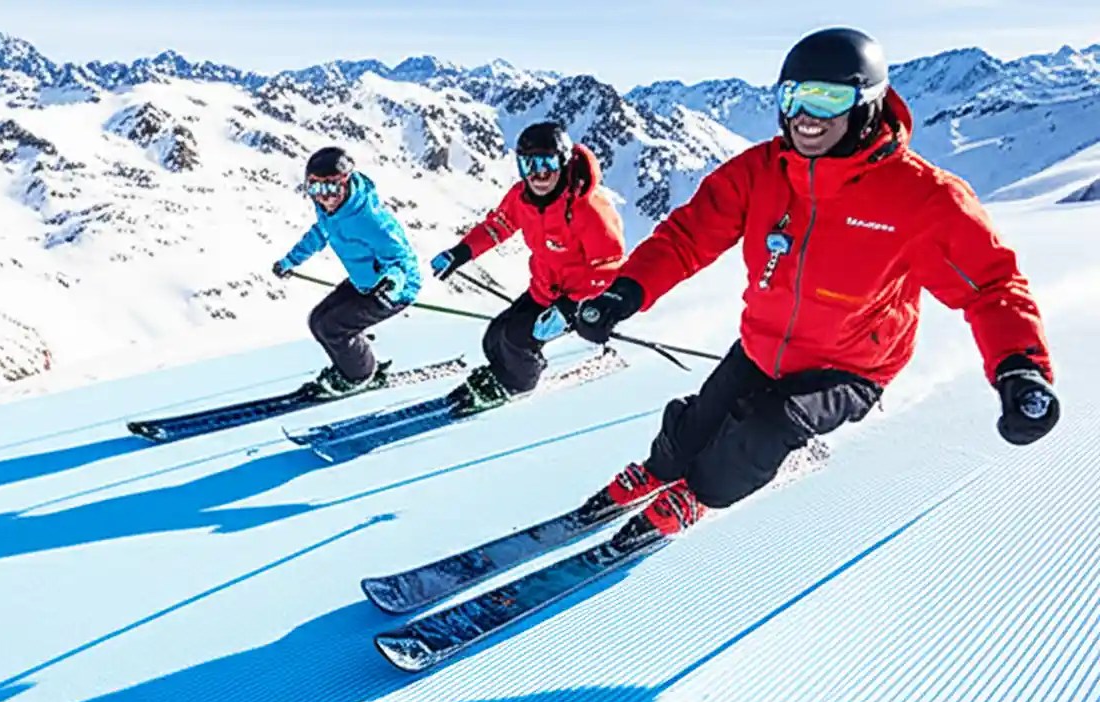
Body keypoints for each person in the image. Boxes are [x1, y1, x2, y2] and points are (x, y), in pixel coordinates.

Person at [572, 27, 1060, 540]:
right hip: (764, 343)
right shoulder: (762, 172)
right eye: (793, 97)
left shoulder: (924, 199)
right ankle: (661, 470)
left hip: (849, 367)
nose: (805, 116)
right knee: (697, 424)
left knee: (763, 428)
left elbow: (992, 286)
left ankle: (699, 496)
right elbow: (688, 235)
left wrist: (1019, 369)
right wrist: (624, 292)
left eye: (827, 99)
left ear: (868, 104)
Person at [429, 121, 625, 412]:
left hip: (578, 300)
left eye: (547, 162)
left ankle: (518, 384)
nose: (539, 173)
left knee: (517, 340)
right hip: (544, 289)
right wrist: (461, 253)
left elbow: (611, 267)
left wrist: (573, 308)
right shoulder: (522, 198)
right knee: (495, 336)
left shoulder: (589, 208)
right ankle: (502, 374)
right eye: (528, 164)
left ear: (564, 161)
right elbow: (498, 225)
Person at [272, 146, 421, 398]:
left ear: (346, 182)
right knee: (318, 320)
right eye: (315, 189)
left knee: (333, 327)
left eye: (330, 187)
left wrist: (391, 285)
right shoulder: (331, 211)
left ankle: (358, 375)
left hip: (392, 291)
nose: (324, 197)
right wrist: (290, 261)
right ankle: (356, 363)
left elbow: (401, 260)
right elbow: (320, 233)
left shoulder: (371, 220)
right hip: (363, 282)